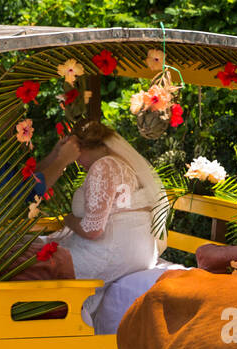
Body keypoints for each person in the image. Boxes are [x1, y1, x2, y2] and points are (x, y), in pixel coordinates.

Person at [37, 118, 164, 323]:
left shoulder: (103, 166)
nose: (77, 163)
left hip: (111, 251)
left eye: (77, 156)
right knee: (43, 246)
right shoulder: (121, 164)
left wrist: (68, 220)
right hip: (136, 251)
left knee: (36, 261)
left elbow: (93, 229)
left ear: (81, 147)